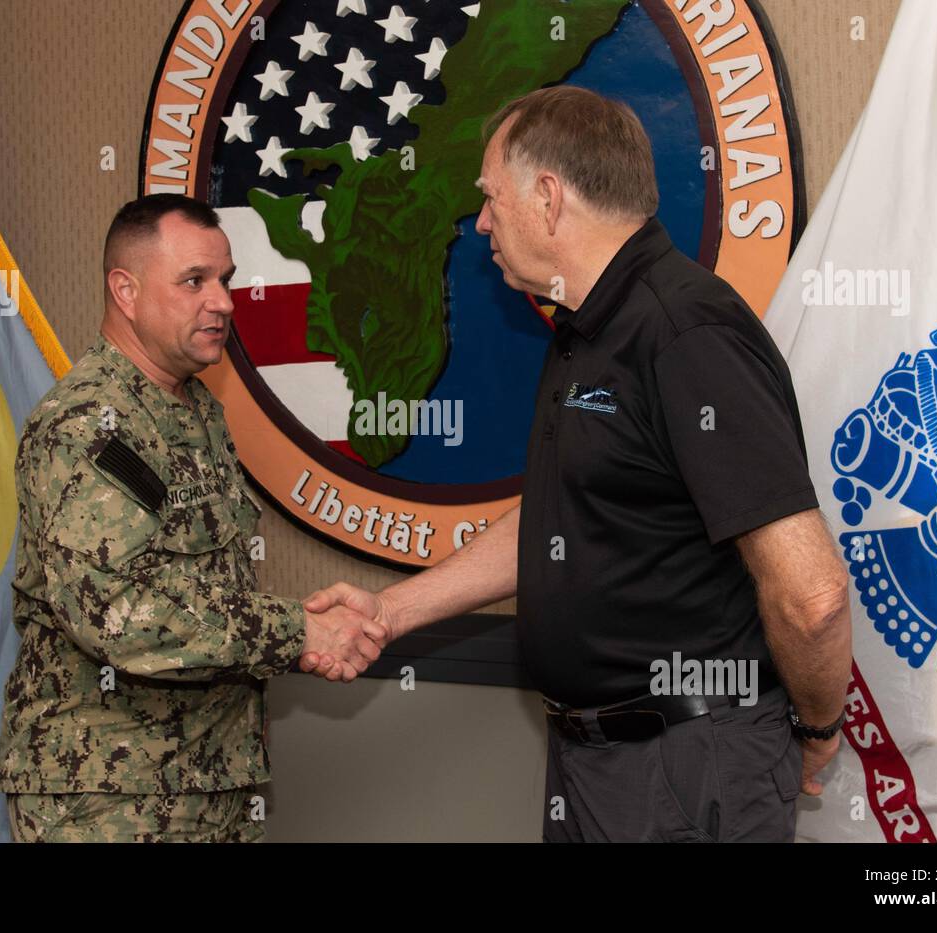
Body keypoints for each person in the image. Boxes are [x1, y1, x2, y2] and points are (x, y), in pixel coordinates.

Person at [302, 87, 853, 843]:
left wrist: (818, 724)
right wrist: (391, 613)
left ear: (549, 196)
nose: (483, 223)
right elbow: (563, 518)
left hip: (688, 765)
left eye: (491, 199)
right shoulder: (586, 328)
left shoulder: (684, 330)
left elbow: (813, 594)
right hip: (594, 762)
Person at [0, 194, 386, 842]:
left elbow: (209, 587)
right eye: (194, 281)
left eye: (226, 279)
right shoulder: (85, 426)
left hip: (210, 781)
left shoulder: (198, 411)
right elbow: (117, 615)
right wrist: (300, 632)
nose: (224, 301)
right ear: (125, 289)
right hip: (107, 797)